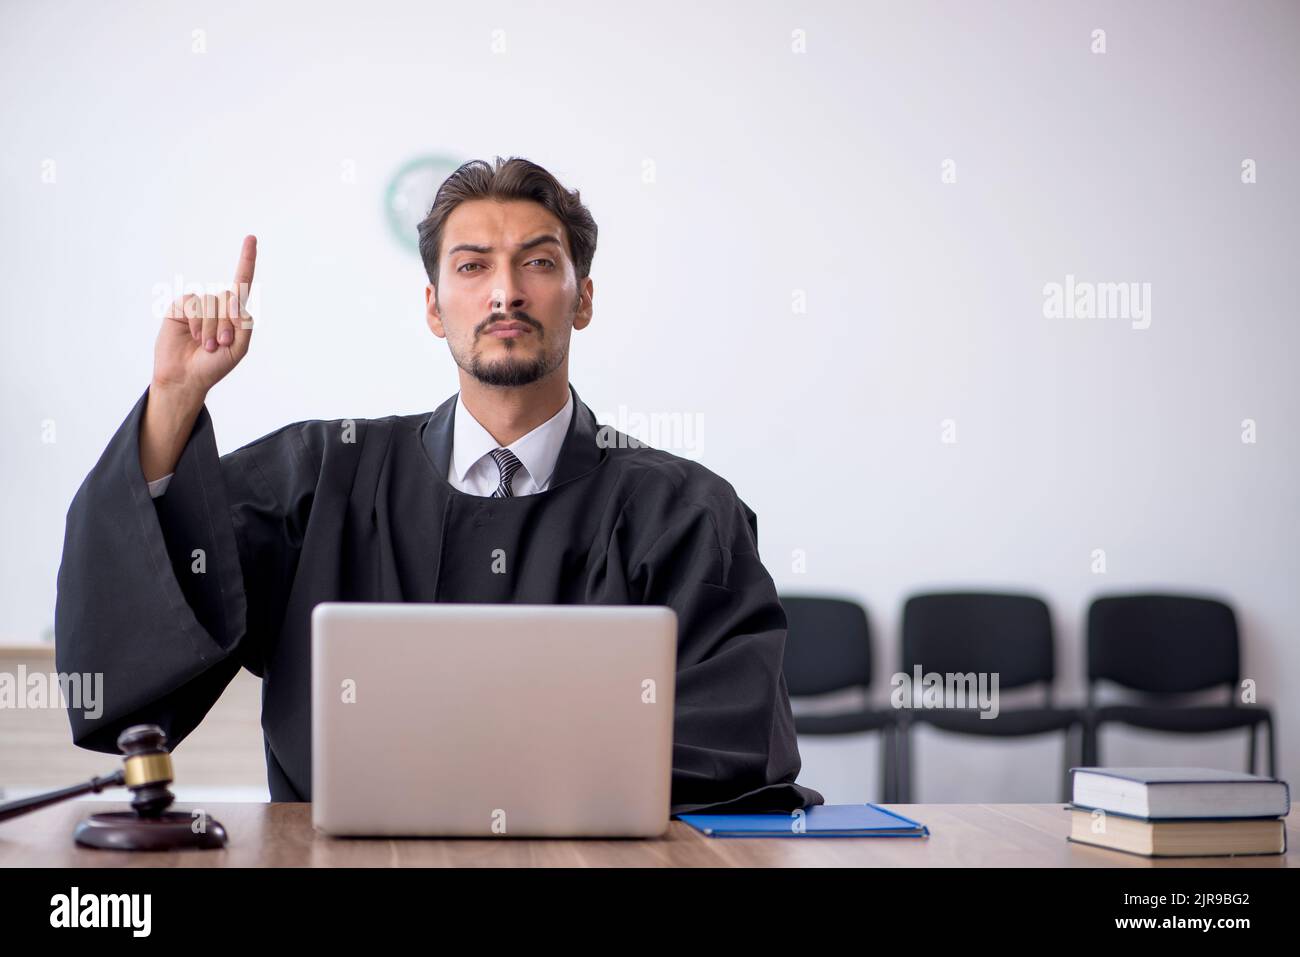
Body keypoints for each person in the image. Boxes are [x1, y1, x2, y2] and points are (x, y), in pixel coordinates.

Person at [55, 156, 823, 815]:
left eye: (539, 262)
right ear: (433, 307)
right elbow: (148, 630)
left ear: (582, 298)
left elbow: (737, 733)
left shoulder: (685, 513)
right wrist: (173, 402)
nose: (505, 293)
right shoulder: (322, 478)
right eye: (472, 265)